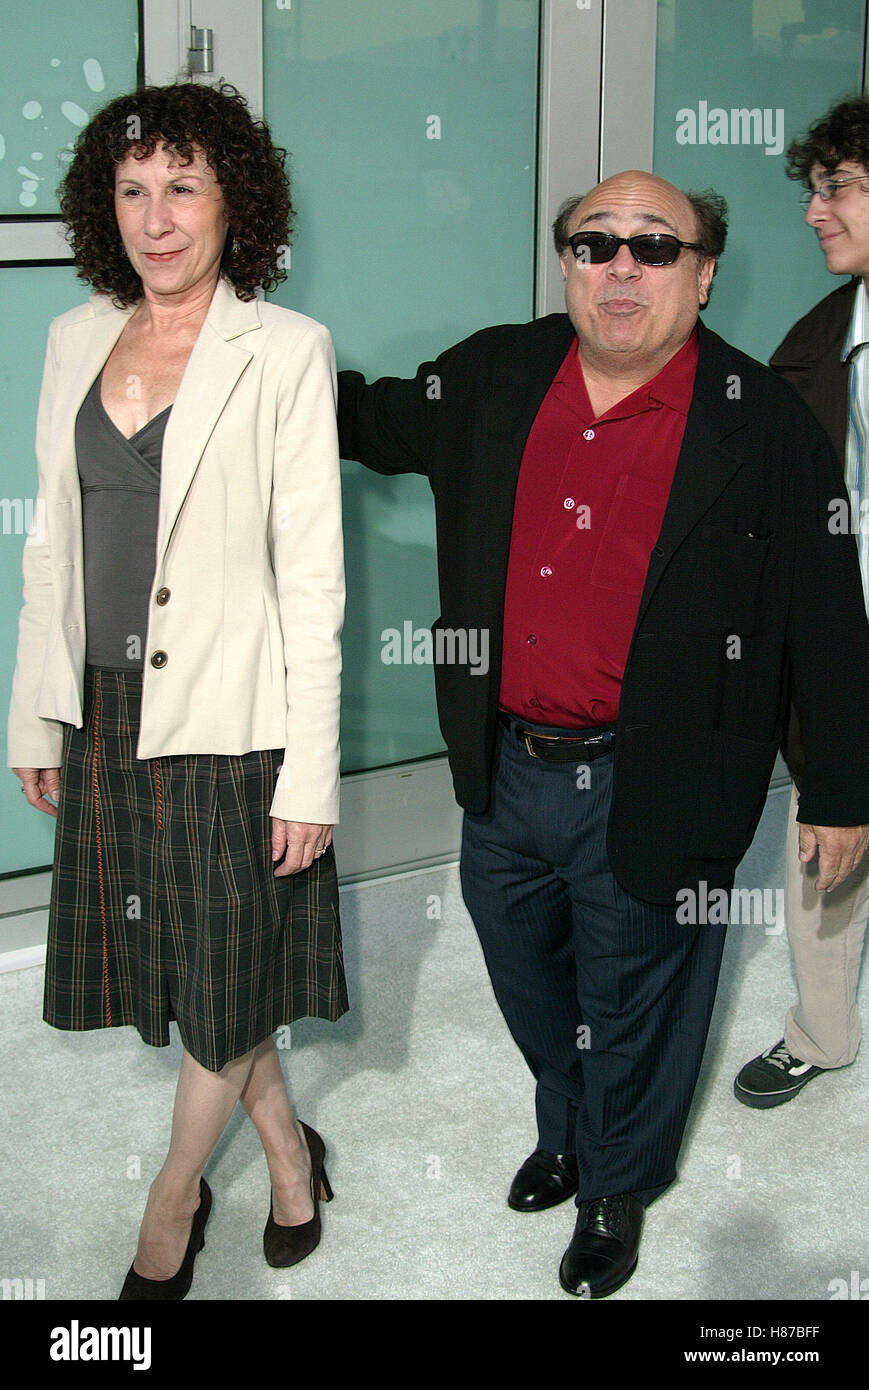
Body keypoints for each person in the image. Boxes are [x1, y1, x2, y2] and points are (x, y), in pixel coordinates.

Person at [337, 169, 869, 1298]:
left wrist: (836, 787)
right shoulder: (493, 373)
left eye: (653, 247)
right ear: (566, 264)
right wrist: (235, 348)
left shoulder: (762, 422)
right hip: (503, 766)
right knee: (528, 977)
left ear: (702, 271)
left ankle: (616, 1181)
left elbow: (826, 611)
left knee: (639, 995)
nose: (621, 266)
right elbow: (363, 417)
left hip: (657, 775)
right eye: (594, 244)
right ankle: (567, 1121)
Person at [6, 80, 346, 1300]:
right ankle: (288, 1157)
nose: (157, 218)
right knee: (207, 967)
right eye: (133, 189)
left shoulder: (286, 350)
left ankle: (172, 1196)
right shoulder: (72, 338)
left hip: (227, 719)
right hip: (100, 706)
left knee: (221, 963)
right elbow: (52, 542)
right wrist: (34, 709)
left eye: (184, 186)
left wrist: (310, 771)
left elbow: (312, 583)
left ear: (232, 199)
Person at [735, 96, 869, 1108]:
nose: (813, 211)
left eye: (836, 188)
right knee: (825, 848)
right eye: (812, 191)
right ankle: (821, 1034)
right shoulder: (808, 345)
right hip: (844, 650)